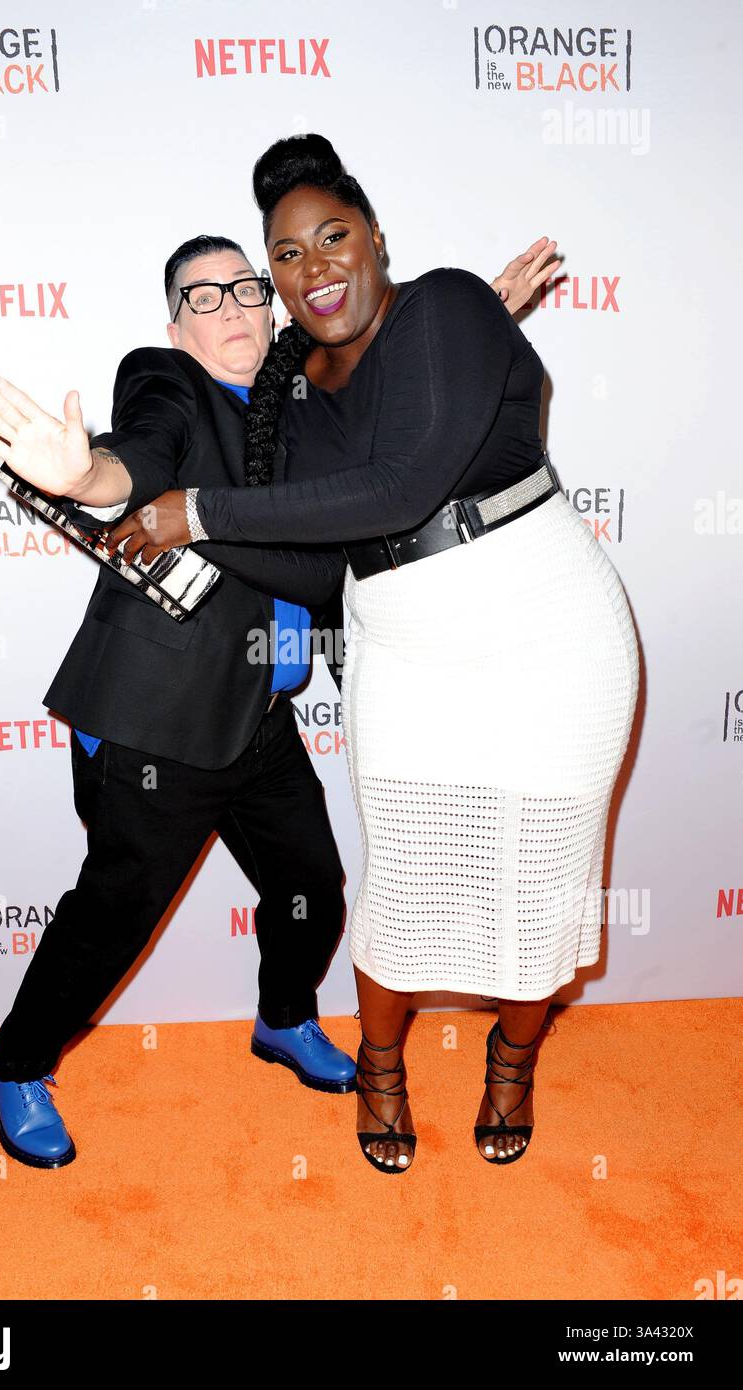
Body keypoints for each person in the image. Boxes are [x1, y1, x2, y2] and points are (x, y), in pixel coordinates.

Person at [122, 133, 640, 1175]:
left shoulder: (448, 304)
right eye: (288, 255)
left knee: (539, 882)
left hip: (549, 637)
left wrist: (198, 511)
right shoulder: (298, 394)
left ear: (376, 239)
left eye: (332, 235)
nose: (313, 267)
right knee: (402, 884)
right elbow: (322, 570)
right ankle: (381, 1064)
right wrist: (182, 518)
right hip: (405, 658)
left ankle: (511, 1057)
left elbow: (403, 488)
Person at [0, 236, 354, 1168]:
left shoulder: (302, 408)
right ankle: (14, 1067)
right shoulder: (169, 383)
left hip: (260, 716)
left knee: (311, 892)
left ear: (272, 307)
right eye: (202, 296)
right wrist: (83, 475)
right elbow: (132, 461)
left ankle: (283, 1019)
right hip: (158, 719)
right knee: (112, 915)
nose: (230, 308)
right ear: (176, 326)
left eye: (245, 290)